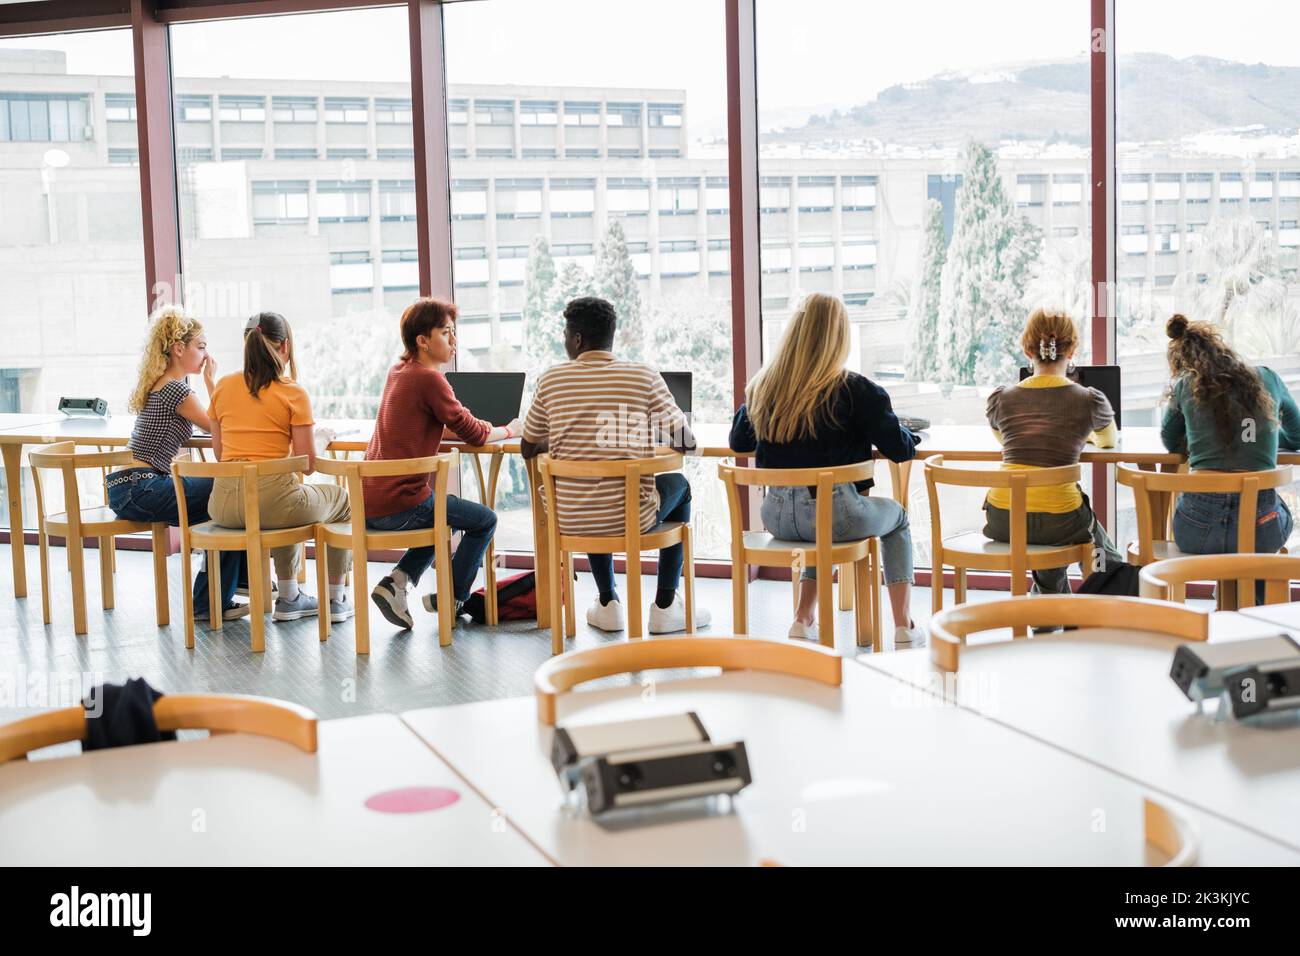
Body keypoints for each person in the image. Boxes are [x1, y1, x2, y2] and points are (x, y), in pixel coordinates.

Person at [730, 293, 923, 645]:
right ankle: (903, 625)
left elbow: (738, 442)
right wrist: (907, 431)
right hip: (837, 517)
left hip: (776, 517)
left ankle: (803, 618)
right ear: (839, 336)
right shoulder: (856, 390)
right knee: (896, 518)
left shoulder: (762, 388)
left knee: (823, 522)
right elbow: (898, 449)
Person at [520, 296, 709, 634]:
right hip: (629, 517)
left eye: (566, 333)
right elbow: (686, 442)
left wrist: (569, 439)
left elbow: (527, 446)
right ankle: (666, 605)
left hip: (569, 516)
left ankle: (608, 602)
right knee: (679, 485)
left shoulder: (551, 379)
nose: (565, 340)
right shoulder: (643, 376)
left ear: (577, 339)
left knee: (593, 487)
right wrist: (641, 435)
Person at [365, 297, 521, 630]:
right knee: (483, 520)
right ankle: (454, 598)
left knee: (439, 513)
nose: (454, 341)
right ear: (422, 340)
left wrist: (452, 426)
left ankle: (397, 582)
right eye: (446, 332)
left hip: (371, 501)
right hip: (400, 505)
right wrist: (510, 429)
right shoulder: (430, 379)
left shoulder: (399, 372)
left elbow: (434, 420)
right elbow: (476, 434)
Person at [206, 311, 353, 623]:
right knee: (341, 501)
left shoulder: (222, 386)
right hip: (269, 504)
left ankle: (291, 598)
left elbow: (221, 453)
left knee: (289, 495)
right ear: (285, 346)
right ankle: (336, 600)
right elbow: (308, 463)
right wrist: (321, 438)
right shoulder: (292, 392)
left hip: (222, 507)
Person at [107, 305, 247, 621]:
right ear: (178, 349)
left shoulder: (161, 384)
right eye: (201, 347)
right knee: (232, 497)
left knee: (224, 505)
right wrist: (213, 384)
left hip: (126, 487)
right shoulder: (176, 390)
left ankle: (233, 586)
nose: (206, 355)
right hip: (141, 486)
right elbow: (217, 426)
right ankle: (212, 599)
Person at [983, 308, 1123, 594]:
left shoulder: (1002, 398)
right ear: (1072, 350)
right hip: (1059, 521)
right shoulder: (1088, 399)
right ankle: (1110, 591)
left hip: (1003, 518)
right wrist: (1083, 438)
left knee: (1050, 535)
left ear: (1027, 349)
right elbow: (1109, 440)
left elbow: (1006, 441)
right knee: (1077, 527)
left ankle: (1047, 616)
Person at [1160, 313, 1300, 587]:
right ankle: (1250, 611)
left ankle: (1228, 609)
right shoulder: (1267, 378)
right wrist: (1267, 435)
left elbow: (1169, 439)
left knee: (1237, 542)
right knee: (1257, 536)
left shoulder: (1185, 385)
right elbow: (1298, 436)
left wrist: (1202, 438)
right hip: (1262, 528)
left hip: (1197, 531)